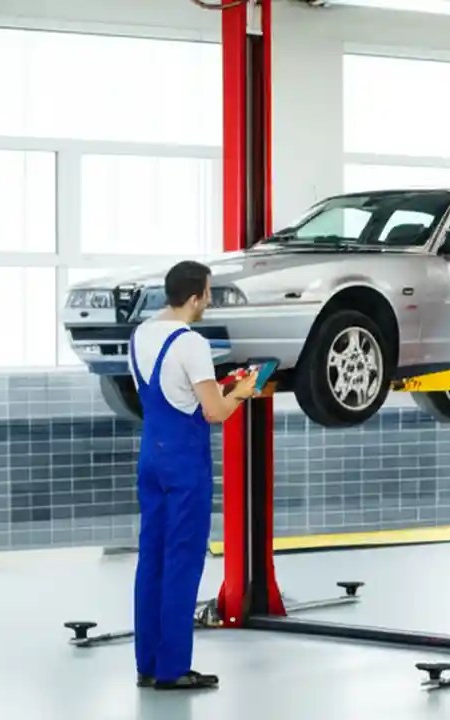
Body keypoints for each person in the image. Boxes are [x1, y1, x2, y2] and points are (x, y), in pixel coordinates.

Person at [128, 260, 258, 691]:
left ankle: (148, 664)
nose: (209, 301)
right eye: (208, 293)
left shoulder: (141, 334)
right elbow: (214, 411)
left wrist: (217, 390)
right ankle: (173, 669)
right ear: (196, 296)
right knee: (182, 561)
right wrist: (242, 392)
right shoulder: (191, 343)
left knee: (152, 559)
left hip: (151, 455)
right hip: (184, 462)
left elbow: (172, 393)